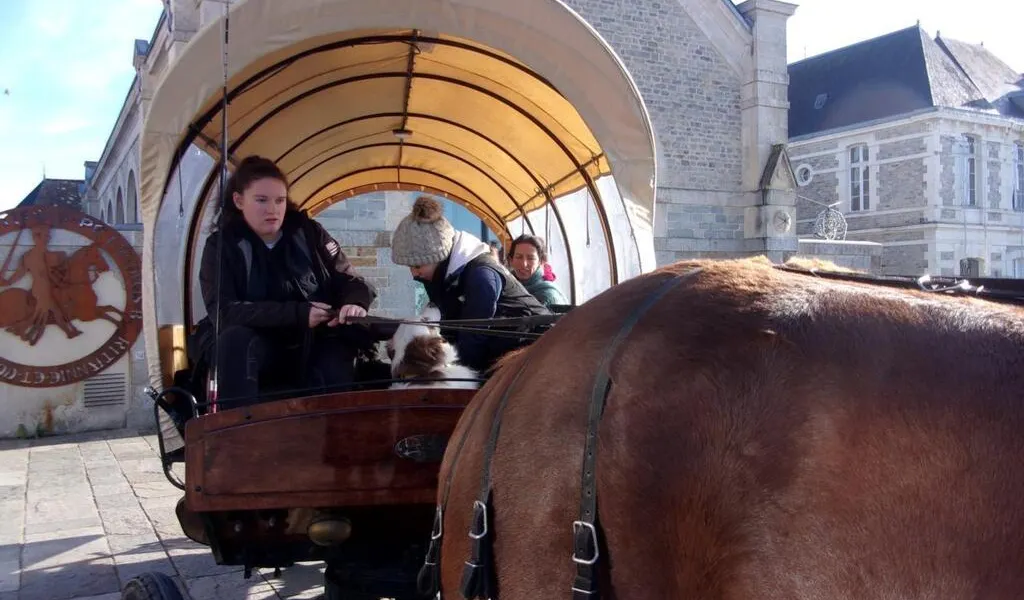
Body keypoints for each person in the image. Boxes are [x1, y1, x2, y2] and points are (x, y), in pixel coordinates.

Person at [190, 155, 376, 406]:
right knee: (234, 342)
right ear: (238, 200)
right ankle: (237, 437)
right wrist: (298, 313)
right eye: (261, 200)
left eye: (279, 200)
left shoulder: (309, 233)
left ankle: (335, 435)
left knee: (339, 353)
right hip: (258, 345)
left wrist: (354, 303)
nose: (273, 209)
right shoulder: (222, 246)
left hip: (314, 340)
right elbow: (224, 311)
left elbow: (350, 279)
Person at [390, 197, 550, 373]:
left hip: (536, 352)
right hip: (502, 353)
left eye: (417, 266)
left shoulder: (481, 276)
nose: (414, 273)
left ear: (439, 258)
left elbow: (473, 338)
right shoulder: (442, 276)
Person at [507, 234, 568, 308]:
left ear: (541, 261)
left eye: (531, 258)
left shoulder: (548, 295)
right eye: (519, 257)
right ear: (511, 260)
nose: (524, 264)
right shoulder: (507, 286)